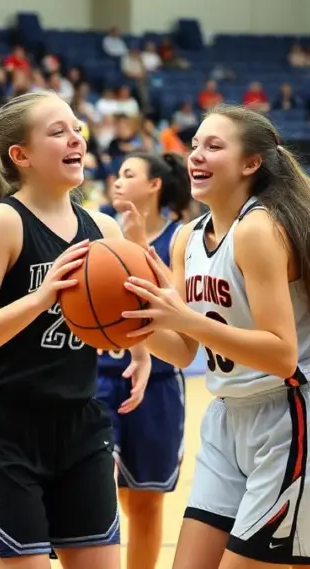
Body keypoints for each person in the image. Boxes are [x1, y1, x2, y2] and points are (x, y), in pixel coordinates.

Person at [121, 104, 310, 568]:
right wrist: (130, 322)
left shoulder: (258, 229)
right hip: (227, 420)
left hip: (294, 416)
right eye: (195, 144)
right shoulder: (187, 238)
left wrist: (183, 319)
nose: (196, 155)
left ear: (250, 163)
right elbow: (181, 351)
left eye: (214, 146)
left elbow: (281, 355)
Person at [0, 91, 152, 568]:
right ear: (21, 155)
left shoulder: (105, 231)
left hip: (80, 423)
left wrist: (140, 345)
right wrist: (39, 299)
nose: (75, 137)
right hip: (1, 430)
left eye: (77, 128)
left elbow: (125, 318)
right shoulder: (1, 223)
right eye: (57, 131)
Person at [103, 151, 191, 569]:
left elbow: (184, 315)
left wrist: (137, 246)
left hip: (157, 382)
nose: (116, 180)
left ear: (155, 185)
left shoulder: (179, 239)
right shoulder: (99, 229)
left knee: (144, 503)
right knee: (100, 496)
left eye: (128, 173)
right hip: (99, 378)